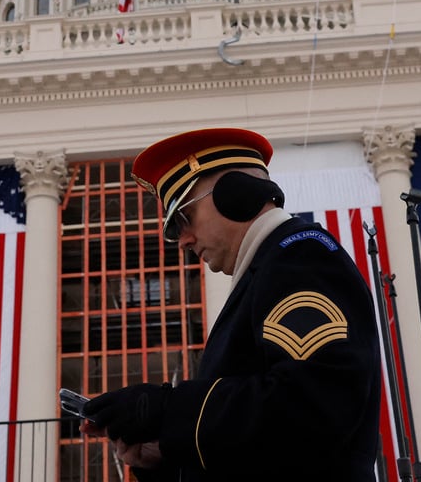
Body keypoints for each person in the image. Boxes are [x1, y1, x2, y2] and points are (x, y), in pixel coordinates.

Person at [81, 128, 381, 480]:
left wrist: (168, 409)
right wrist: (166, 456)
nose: (183, 241)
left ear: (234, 194)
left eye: (182, 219)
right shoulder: (272, 269)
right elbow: (264, 443)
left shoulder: (301, 257)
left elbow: (312, 406)